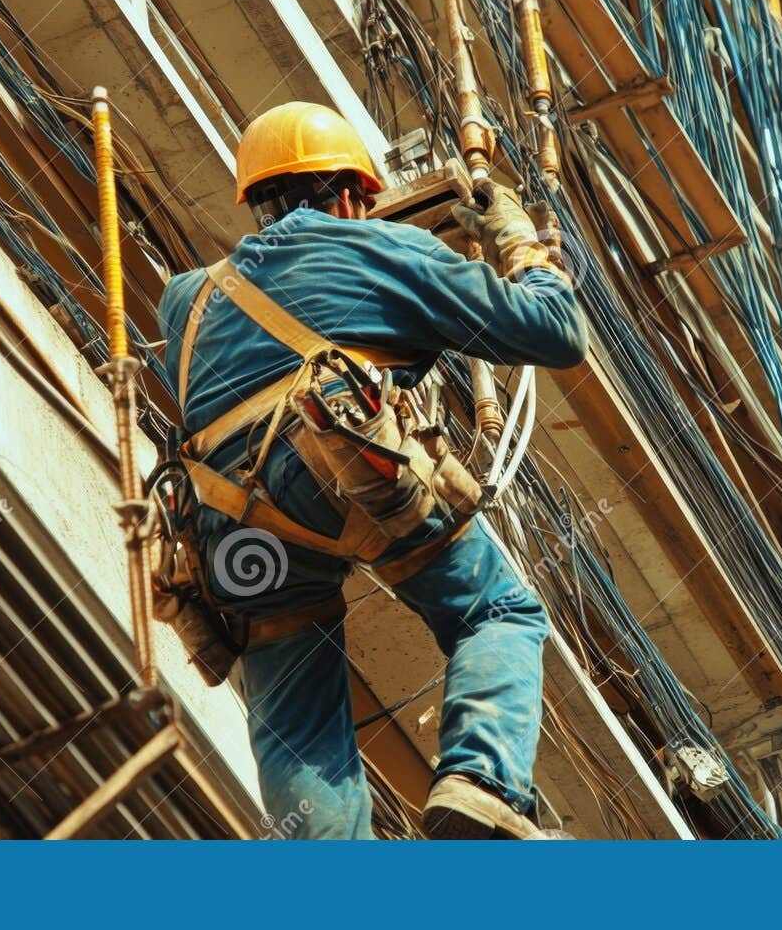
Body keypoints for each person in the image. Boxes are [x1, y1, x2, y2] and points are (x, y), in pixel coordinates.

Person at [156, 101, 587, 838]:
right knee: (497, 612)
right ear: (355, 194)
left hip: (230, 523)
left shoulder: (182, 301)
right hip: (346, 460)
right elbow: (554, 331)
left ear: (256, 201)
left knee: (294, 711)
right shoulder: (382, 249)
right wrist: (517, 238)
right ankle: (480, 783)